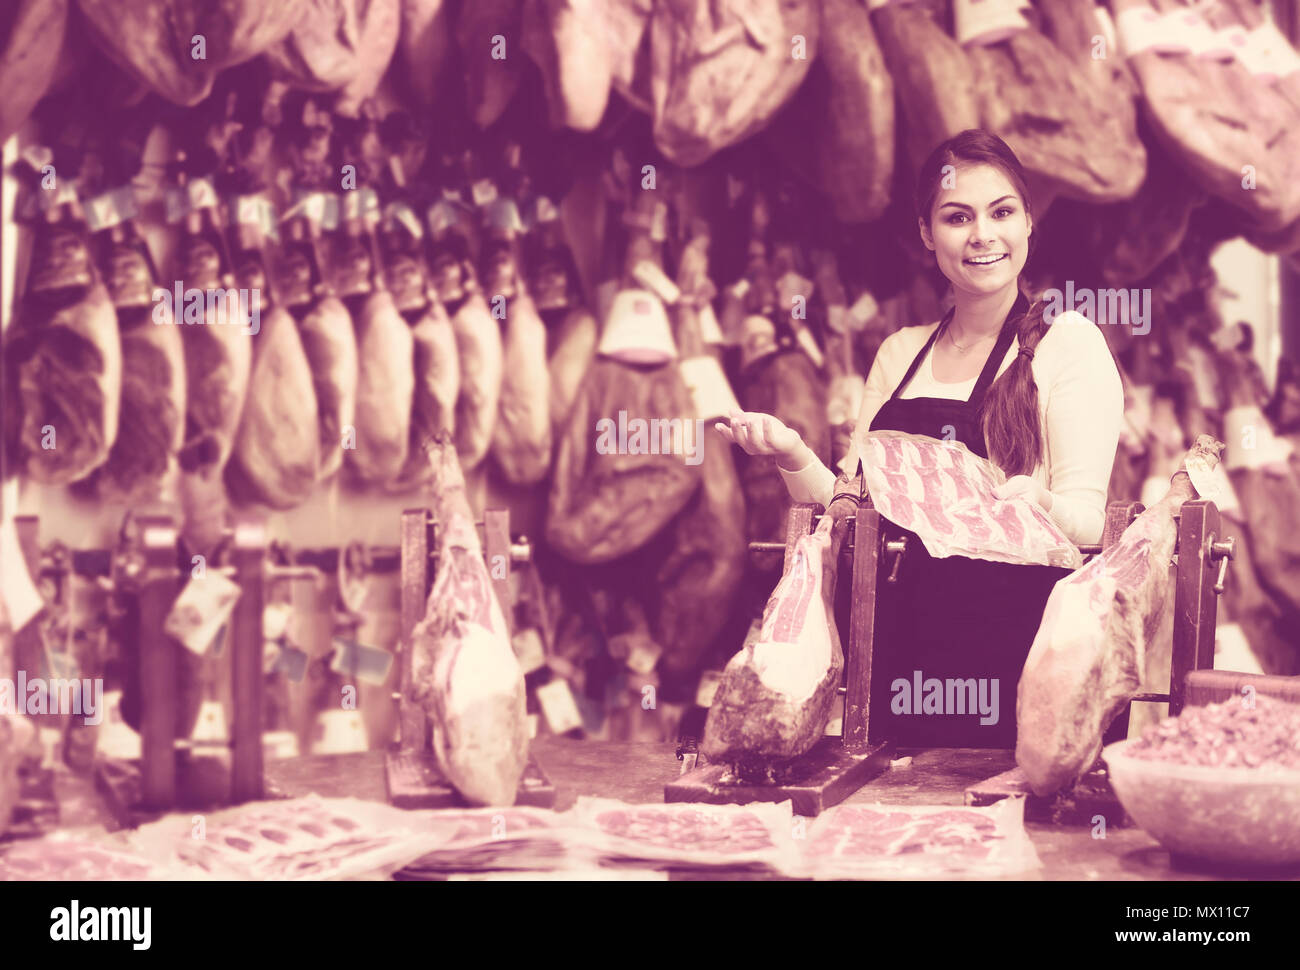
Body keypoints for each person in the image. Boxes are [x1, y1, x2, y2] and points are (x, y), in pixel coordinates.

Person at [717, 129, 1123, 748]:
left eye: (1002, 212)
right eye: (958, 217)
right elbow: (851, 510)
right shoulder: (900, 353)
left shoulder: (1068, 343)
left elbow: (1092, 527)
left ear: (1028, 223)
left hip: (1018, 672)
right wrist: (792, 455)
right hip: (896, 670)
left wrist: (1036, 505)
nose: (982, 234)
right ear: (929, 235)